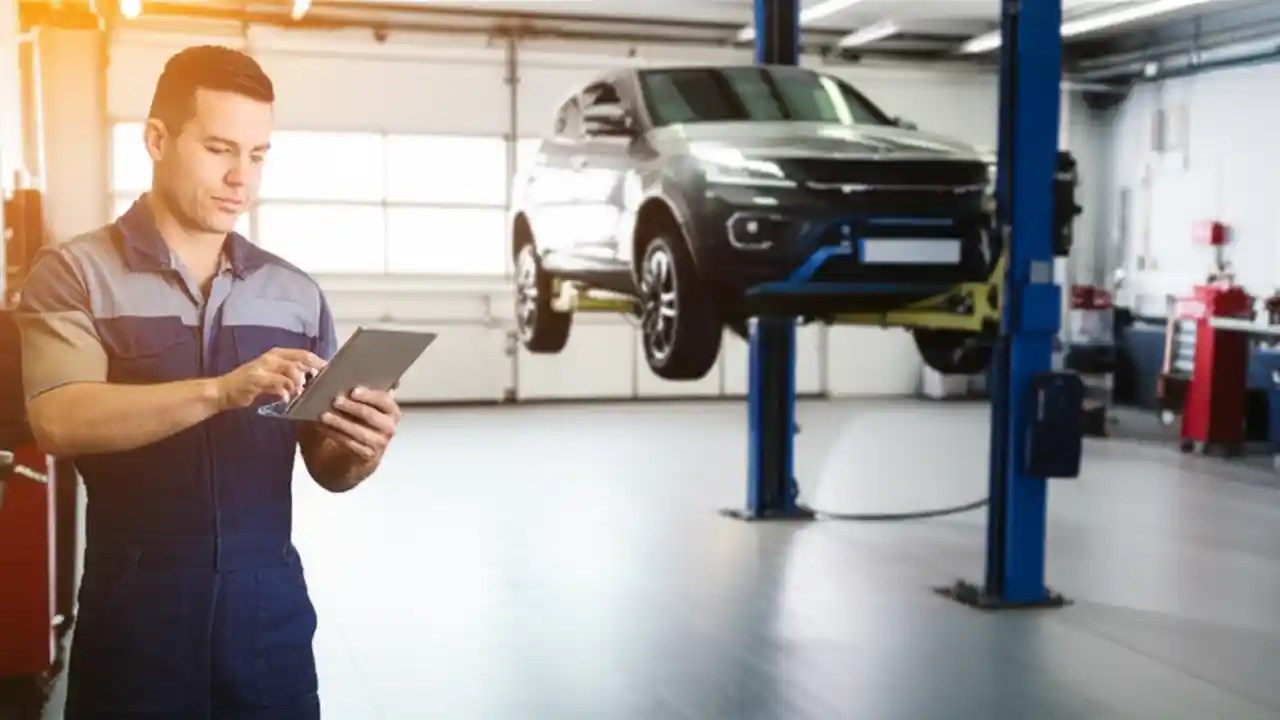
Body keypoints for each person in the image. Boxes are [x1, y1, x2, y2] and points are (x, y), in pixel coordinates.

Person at [15, 45, 402, 719]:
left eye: (257, 156)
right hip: (137, 608)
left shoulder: (293, 293)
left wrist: (360, 448)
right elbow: (58, 418)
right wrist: (221, 390)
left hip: (270, 608)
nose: (239, 178)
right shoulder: (73, 275)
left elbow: (326, 467)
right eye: (220, 149)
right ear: (157, 140)